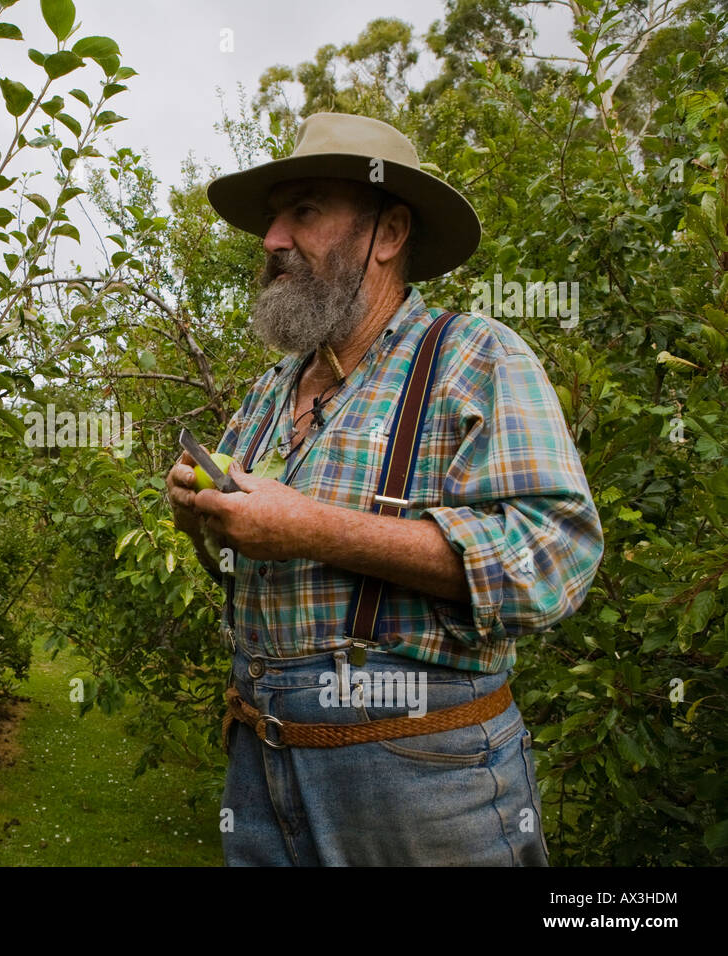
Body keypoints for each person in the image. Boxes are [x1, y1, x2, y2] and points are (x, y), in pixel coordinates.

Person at [166, 112, 603, 866]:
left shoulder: (475, 356)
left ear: (389, 232)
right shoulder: (270, 391)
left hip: (422, 787)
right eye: (274, 217)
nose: (272, 238)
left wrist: (314, 528)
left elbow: (554, 557)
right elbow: (259, 565)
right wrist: (206, 518)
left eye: (303, 211)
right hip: (261, 772)